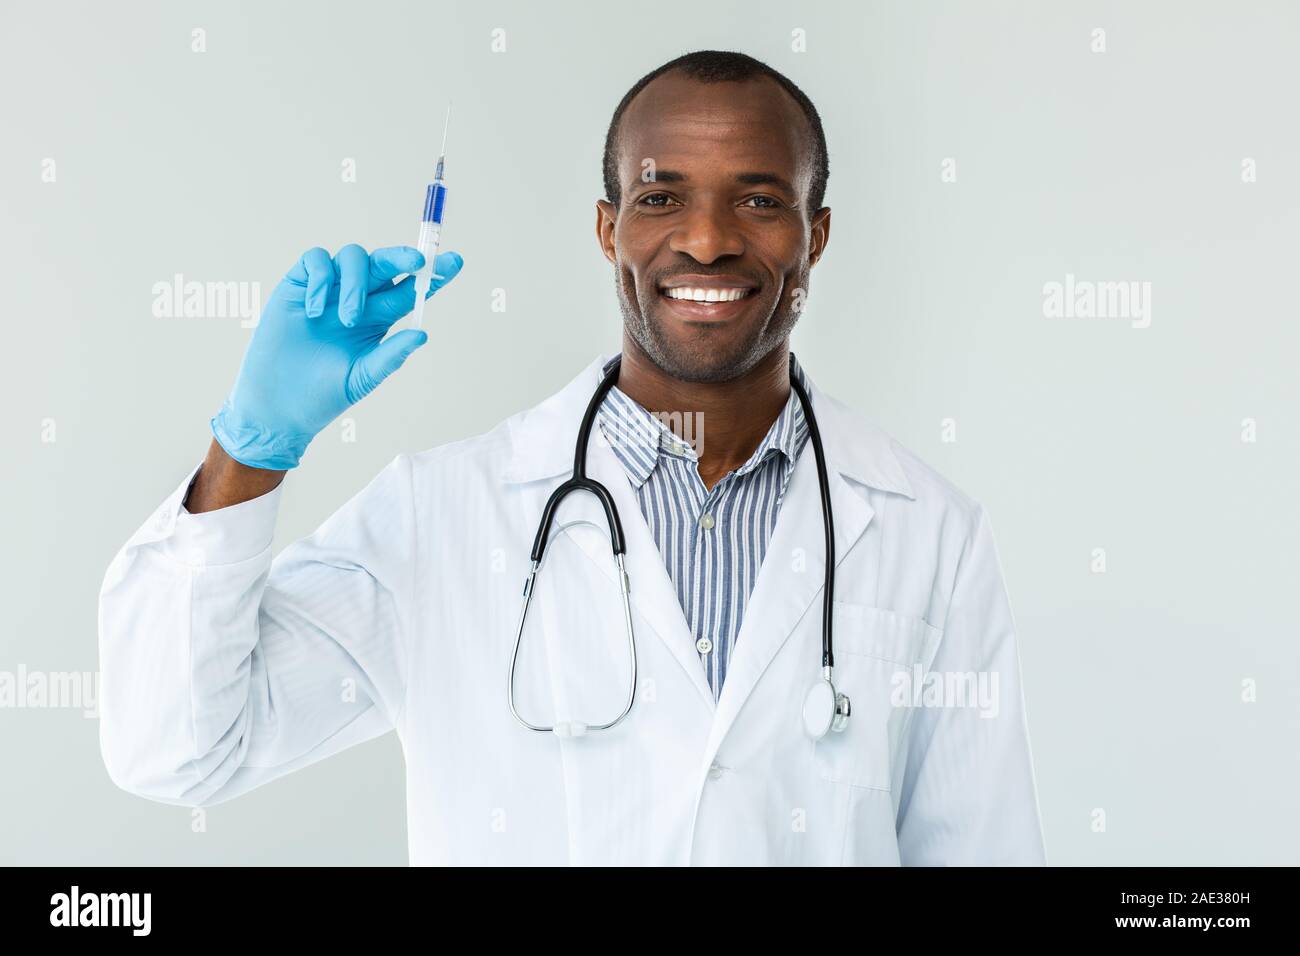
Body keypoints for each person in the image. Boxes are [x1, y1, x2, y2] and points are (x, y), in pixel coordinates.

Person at [98, 50, 1046, 866]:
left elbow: (984, 850)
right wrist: (251, 450)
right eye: (660, 197)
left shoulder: (932, 532)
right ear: (608, 231)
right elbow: (179, 750)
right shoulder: (445, 515)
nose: (708, 240)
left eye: (758, 200)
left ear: (816, 236)